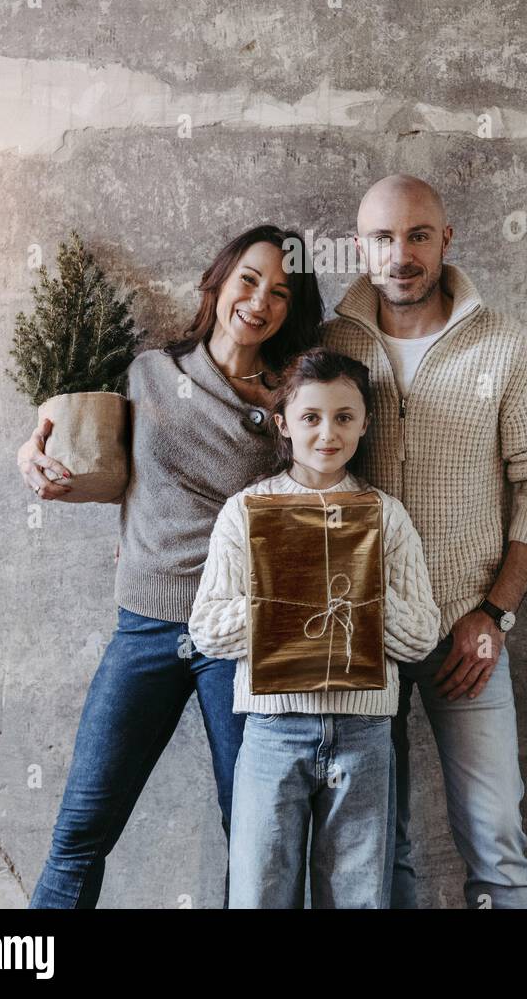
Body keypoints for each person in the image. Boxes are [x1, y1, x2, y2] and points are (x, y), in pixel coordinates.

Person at [18, 223, 323, 908]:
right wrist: (29, 455)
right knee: (80, 832)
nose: (259, 300)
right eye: (249, 279)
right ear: (218, 281)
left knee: (253, 834)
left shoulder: (291, 405)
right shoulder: (145, 371)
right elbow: (67, 438)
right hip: (145, 628)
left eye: (280, 292)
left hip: (240, 640)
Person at [321, 174, 527, 909]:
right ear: (359, 244)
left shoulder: (503, 343)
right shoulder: (331, 342)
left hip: (465, 634)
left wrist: (494, 614)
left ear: (446, 240)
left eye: (417, 235)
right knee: (376, 850)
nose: (399, 255)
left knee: (497, 838)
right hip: (355, 636)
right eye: (382, 237)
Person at [188, 347, 441, 909]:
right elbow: (206, 629)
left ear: (364, 424)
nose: (328, 433)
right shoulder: (247, 511)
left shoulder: (386, 515)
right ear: (283, 424)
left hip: (365, 732)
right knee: (259, 894)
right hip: (272, 734)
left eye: (344, 417)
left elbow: (423, 633)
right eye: (310, 417)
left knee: (357, 898)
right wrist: (299, 598)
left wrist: (357, 606)